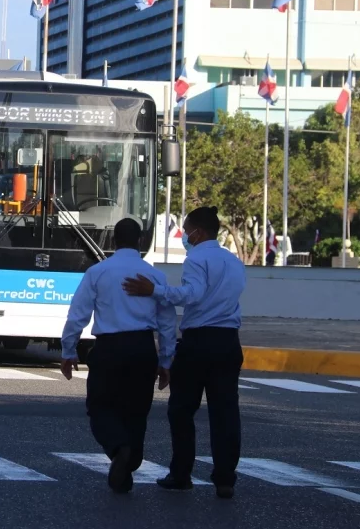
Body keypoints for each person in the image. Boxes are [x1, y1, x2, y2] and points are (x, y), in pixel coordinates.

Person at [123, 206, 246, 500]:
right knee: (225, 413)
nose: (184, 237)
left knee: (181, 410)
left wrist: (154, 290)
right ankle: (225, 478)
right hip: (229, 341)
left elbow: (192, 294)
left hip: (199, 341)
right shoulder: (233, 261)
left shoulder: (197, 258)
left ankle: (181, 474)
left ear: (198, 233)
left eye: (186, 230)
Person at [61, 218, 177, 494]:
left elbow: (78, 314)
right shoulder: (155, 276)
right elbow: (167, 323)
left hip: (109, 348)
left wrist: (68, 350)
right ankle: (130, 462)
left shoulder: (98, 272)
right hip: (142, 348)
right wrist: (166, 361)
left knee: (100, 406)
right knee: (136, 410)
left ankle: (118, 449)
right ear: (140, 241)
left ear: (114, 241)